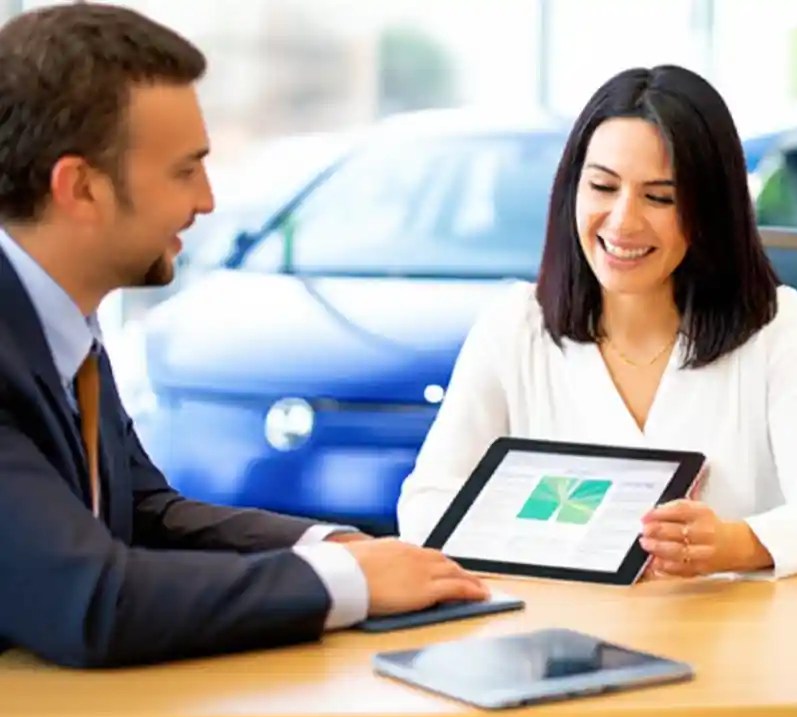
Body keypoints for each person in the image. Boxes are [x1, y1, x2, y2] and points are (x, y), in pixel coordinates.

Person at [0, 4, 487, 669]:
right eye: (185, 170)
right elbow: (93, 601)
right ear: (80, 188)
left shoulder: (59, 325)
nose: (207, 200)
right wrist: (351, 585)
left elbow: (146, 513)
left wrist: (331, 547)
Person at [397, 65, 797, 579]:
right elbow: (426, 505)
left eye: (659, 197)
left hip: (727, 636)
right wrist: (547, 543)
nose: (622, 221)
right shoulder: (514, 326)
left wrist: (738, 543)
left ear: (709, 210)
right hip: (558, 640)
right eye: (602, 186)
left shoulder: (776, 326)